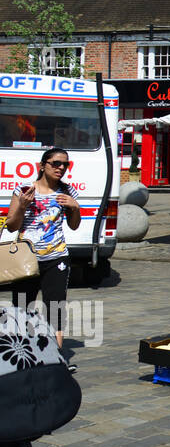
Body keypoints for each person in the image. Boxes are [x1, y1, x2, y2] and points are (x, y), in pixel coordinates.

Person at [6, 148, 81, 365]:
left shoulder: (67, 192)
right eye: (55, 163)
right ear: (42, 165)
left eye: (65, 164)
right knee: (22, 309)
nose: (60, 168)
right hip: (26, 261)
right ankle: (21, 360)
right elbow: (12, 226)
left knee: (56, 308)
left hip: (56, 258)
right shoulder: (23, 190)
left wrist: (75, 207)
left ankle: (56, 361)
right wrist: (22, 206)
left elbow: (74, 226)